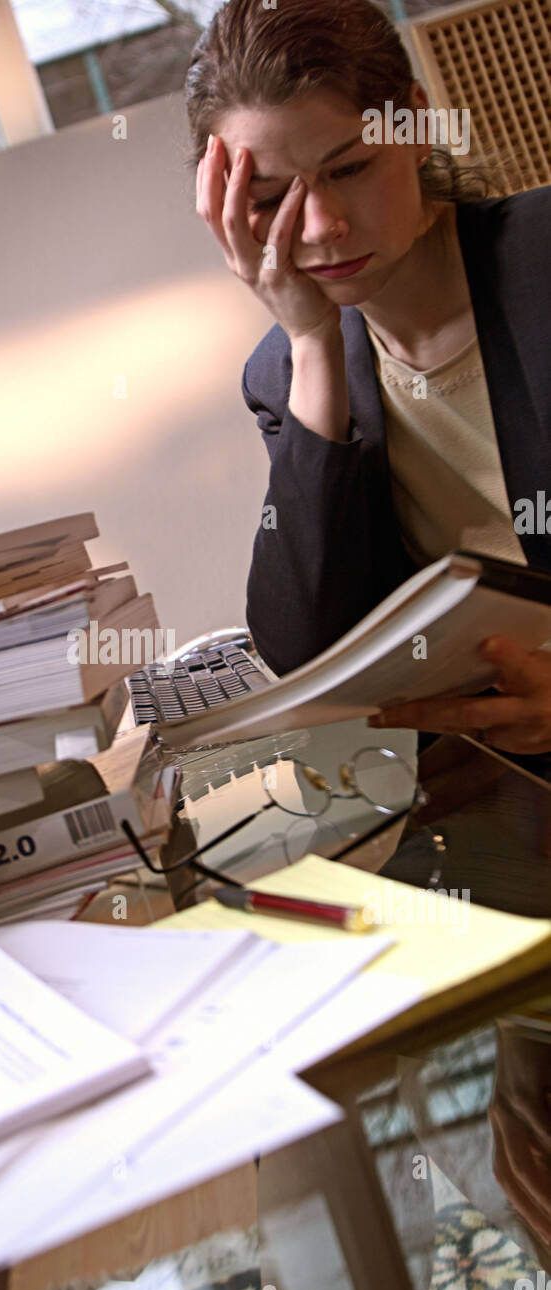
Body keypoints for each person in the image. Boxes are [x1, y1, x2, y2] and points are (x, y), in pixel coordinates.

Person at [185, 0, 551, 762]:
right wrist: (314, 343)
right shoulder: (282, 372)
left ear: (414, 127)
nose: (318, 226)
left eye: (347, 169)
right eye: (267, 199)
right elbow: (303, 644)